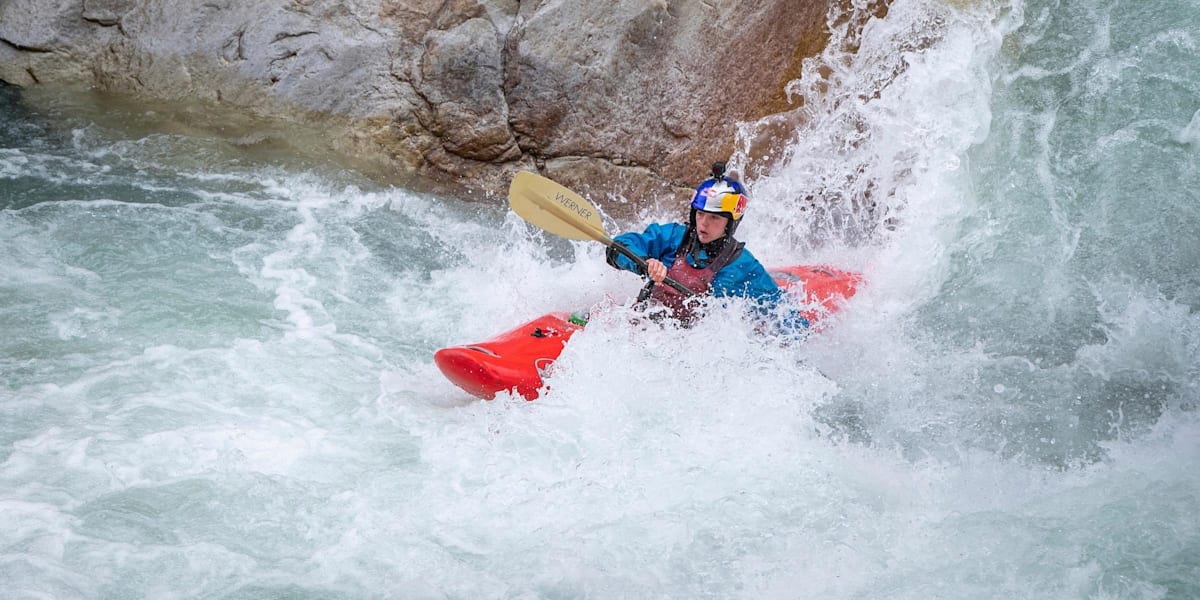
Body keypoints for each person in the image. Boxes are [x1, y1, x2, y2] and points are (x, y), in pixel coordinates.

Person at [605, 162, 808, 332]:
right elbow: (619, 247)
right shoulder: (673, 237)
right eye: (700, 214)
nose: (703, 223)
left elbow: (784, 316)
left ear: (731, 223)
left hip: (690, 344)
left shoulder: (742, 266)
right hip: (646, 324)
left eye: (714, 217)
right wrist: (644, 263)